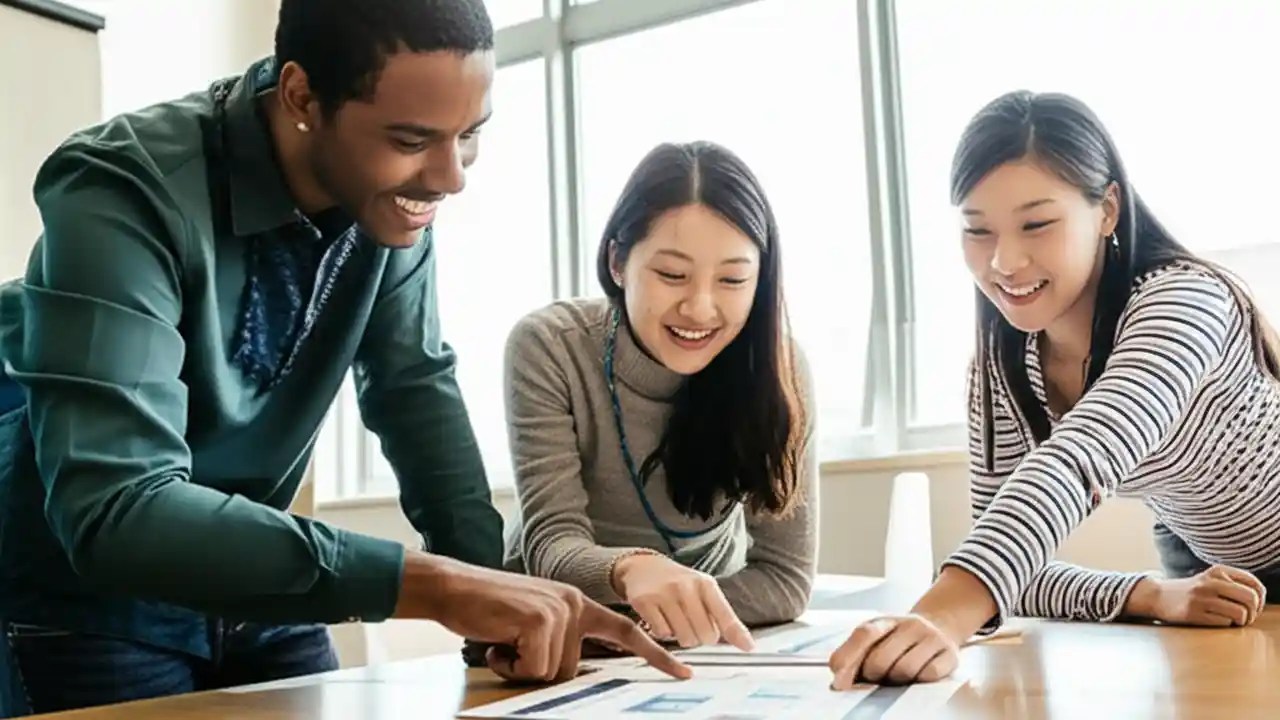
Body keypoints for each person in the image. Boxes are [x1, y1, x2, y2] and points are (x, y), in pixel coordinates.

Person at [0, 1, 686, 715]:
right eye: (413, 138)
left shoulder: (391, 198)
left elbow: (414, 389)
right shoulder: (120, 188)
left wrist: (512, 597)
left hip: (262, 588)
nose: (451, 177)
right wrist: (438, 586)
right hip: (93, 605)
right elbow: (117, 510)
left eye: (470, 135)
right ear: (301, 95)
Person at [829, 90, 1280, 689]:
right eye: (977, 230)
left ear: (1108, 210)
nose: (1004, 262)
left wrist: (940, 613)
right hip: (1208, 566)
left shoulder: (1184, 302)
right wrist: (1150, 594)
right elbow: (1014, 563)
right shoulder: (1003, 361)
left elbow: (1083, 455)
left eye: (1037, 224)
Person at [502, 141, 818, 652]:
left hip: (690, 651)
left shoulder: (779, 369)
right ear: (618, 262)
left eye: (733, 279)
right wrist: (632, 573)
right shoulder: (550, 346)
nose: (700, 308)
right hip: (554, 640)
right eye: (672, 275)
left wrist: (651, 630)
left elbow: (785, 580)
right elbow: (550, 545)